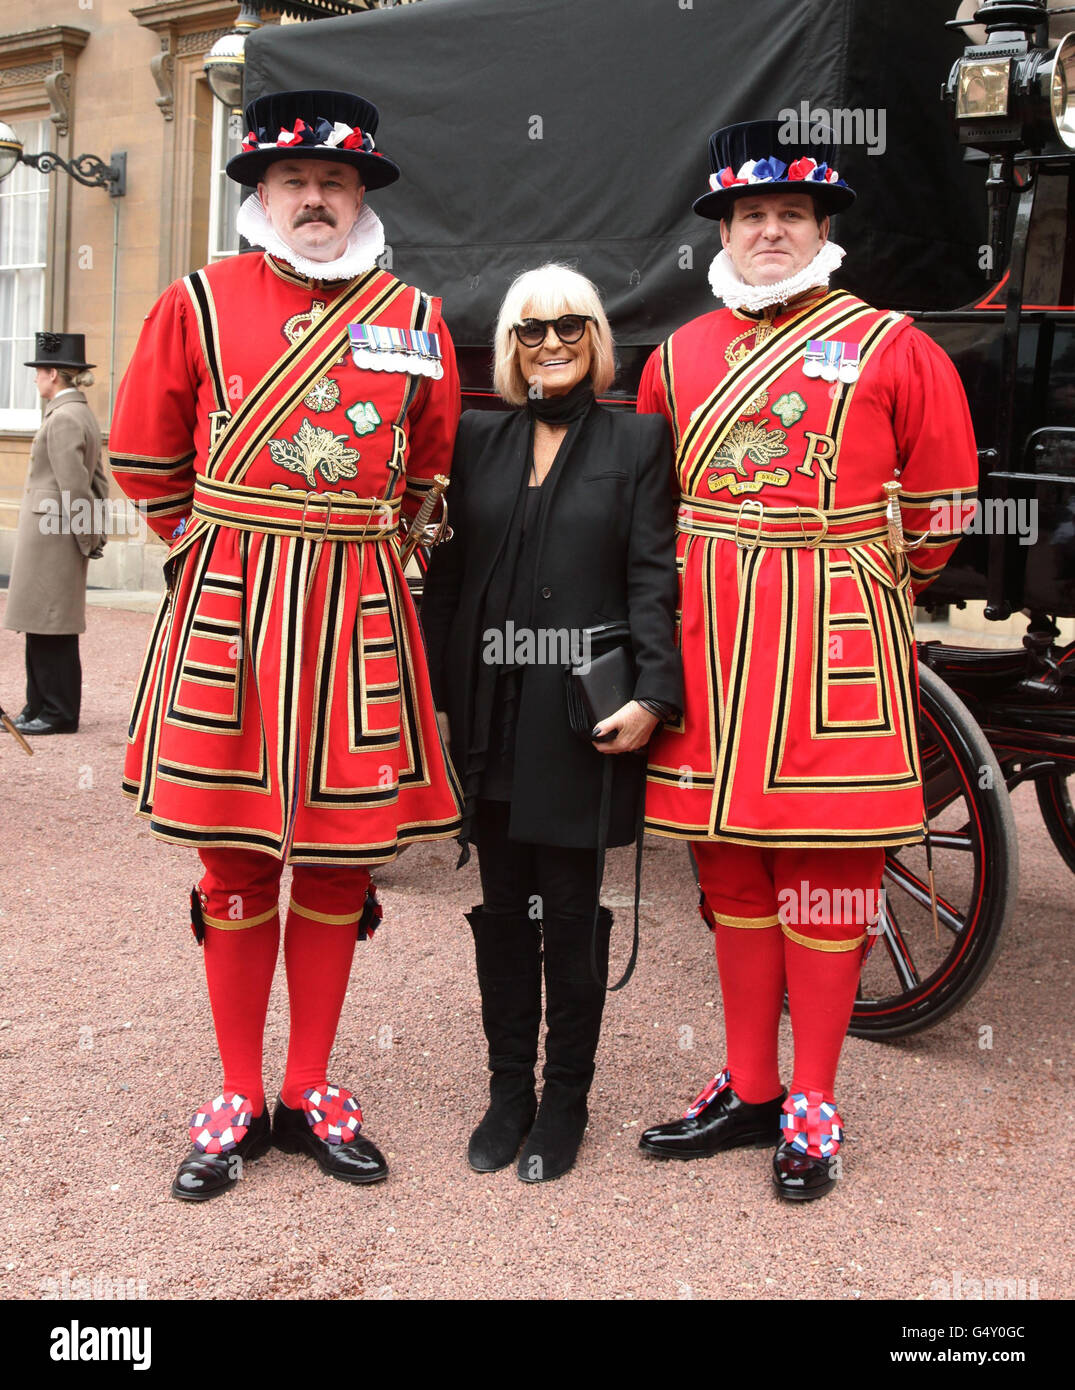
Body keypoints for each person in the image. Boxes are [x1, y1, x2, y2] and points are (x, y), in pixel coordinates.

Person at [107, 89, 461, 1201]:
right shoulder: (197, 302)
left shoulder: (416, 314)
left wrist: (367, 553)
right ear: (261, 193)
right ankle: (233, 1088)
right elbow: (143, 453)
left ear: (361, 195)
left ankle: (308, 1084)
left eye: (336, 182)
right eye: (295, 182)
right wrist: (205, 557)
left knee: (344, 857)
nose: (316, 199)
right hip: (234, 613)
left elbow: (429, 470)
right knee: (235, 857)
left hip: (359, 610)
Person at [635, 121, 978, 1200]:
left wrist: (858, 588)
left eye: (790, 214)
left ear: (821, 229)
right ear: (724, 233)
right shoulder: (677, 354)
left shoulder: (890, 343)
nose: (769, 231)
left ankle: (814, 1098)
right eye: (750, 217)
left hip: (833, 639)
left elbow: (940, 506)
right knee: (728, 868)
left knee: (827, 874)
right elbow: (649, 505)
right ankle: (747, 1085)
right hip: (710, 641)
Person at [421, 264, 681, 1182]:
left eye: (571, 325)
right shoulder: (474, 439)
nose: (552, 342)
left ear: (597, 337)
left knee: (567, 911)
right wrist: (431, 700)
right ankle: (507, 1094)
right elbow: (445, 578)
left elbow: (654, 575)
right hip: (488, 713)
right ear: (510, 345)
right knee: (502, 908)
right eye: (531, 329)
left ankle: (565, 1096)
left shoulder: (640, 441)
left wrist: (654, 695)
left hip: (580, 714)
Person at [3, 333, 106, 735]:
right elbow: (98, 482)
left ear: (52, 374)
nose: (34, 380)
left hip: (54, 539)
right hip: (51, 537)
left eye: (37, 372)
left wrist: (86, 538)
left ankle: (58, 712)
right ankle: (37, 705)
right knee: (40, 623)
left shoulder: (64, 417)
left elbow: (75, 487)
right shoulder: (73, 413)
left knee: (53, 627)